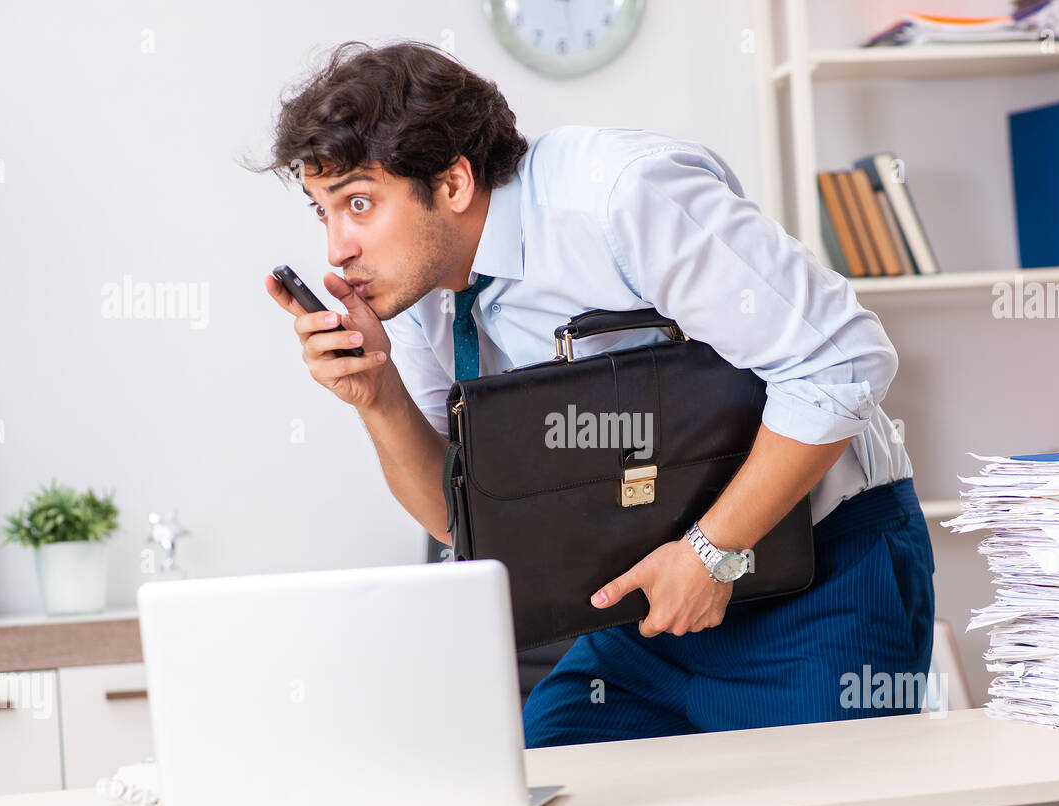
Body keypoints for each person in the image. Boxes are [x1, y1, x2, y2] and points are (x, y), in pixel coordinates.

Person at [251, 40, 935, 767]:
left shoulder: (621, 196)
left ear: (452, 182)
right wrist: (376, 393)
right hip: (644, 599)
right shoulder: (420, 295)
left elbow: (842, 360)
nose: (338, 248)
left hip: (816, 577)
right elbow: (464, 520)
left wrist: (712, 552)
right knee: (544, 801)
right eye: (324, 211)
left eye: (359, 203)